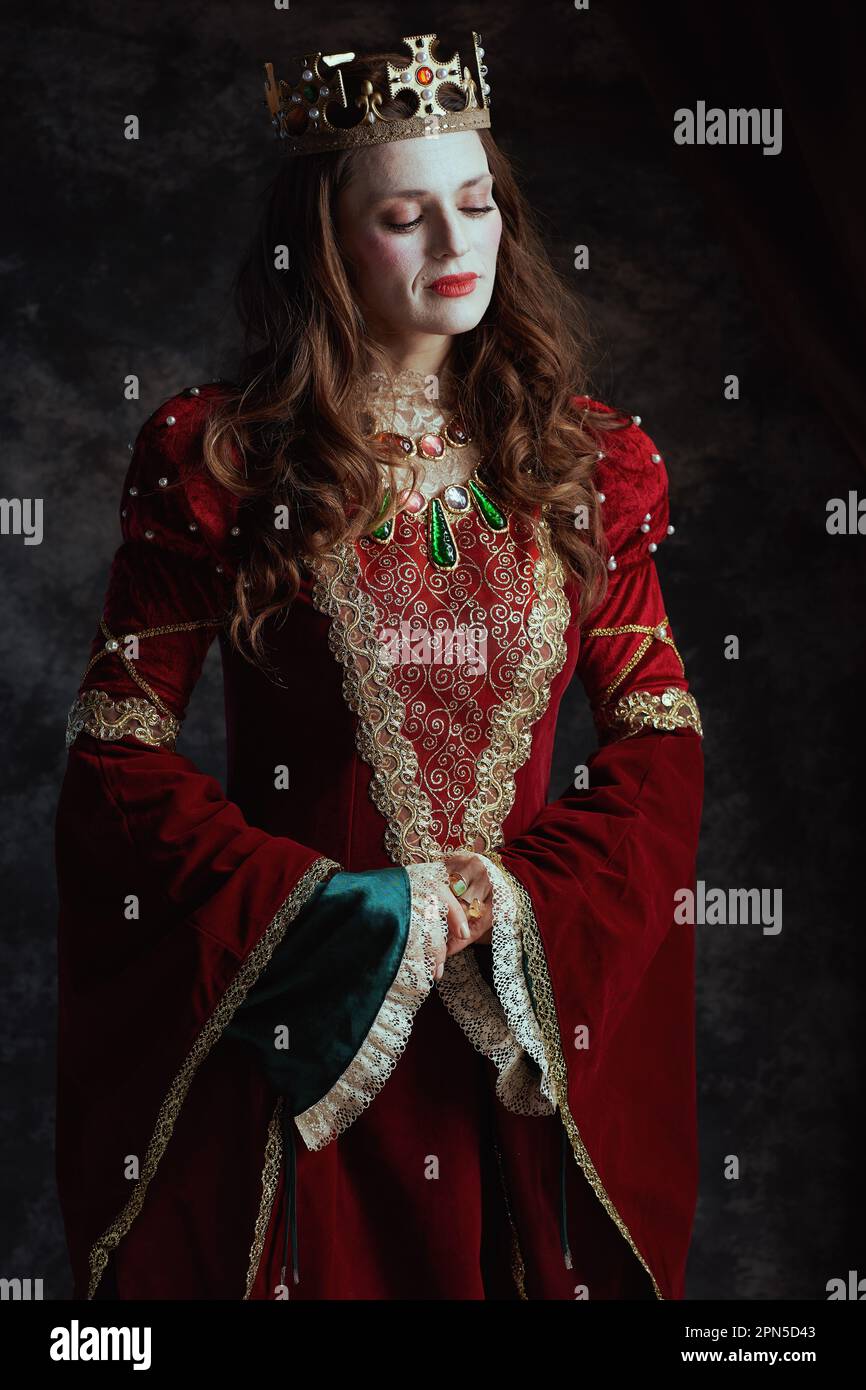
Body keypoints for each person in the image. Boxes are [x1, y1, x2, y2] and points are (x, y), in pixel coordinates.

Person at [55, 31, 704, 1301]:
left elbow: (659, 737)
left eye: (477, 207)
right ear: (324, 245)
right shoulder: (220, 462)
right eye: (406, 218)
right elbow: (116, 754)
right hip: (303, 1025)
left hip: (512, 1027)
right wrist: (349, 909)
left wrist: (513, 900)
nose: (456, 248)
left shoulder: (589, 468)